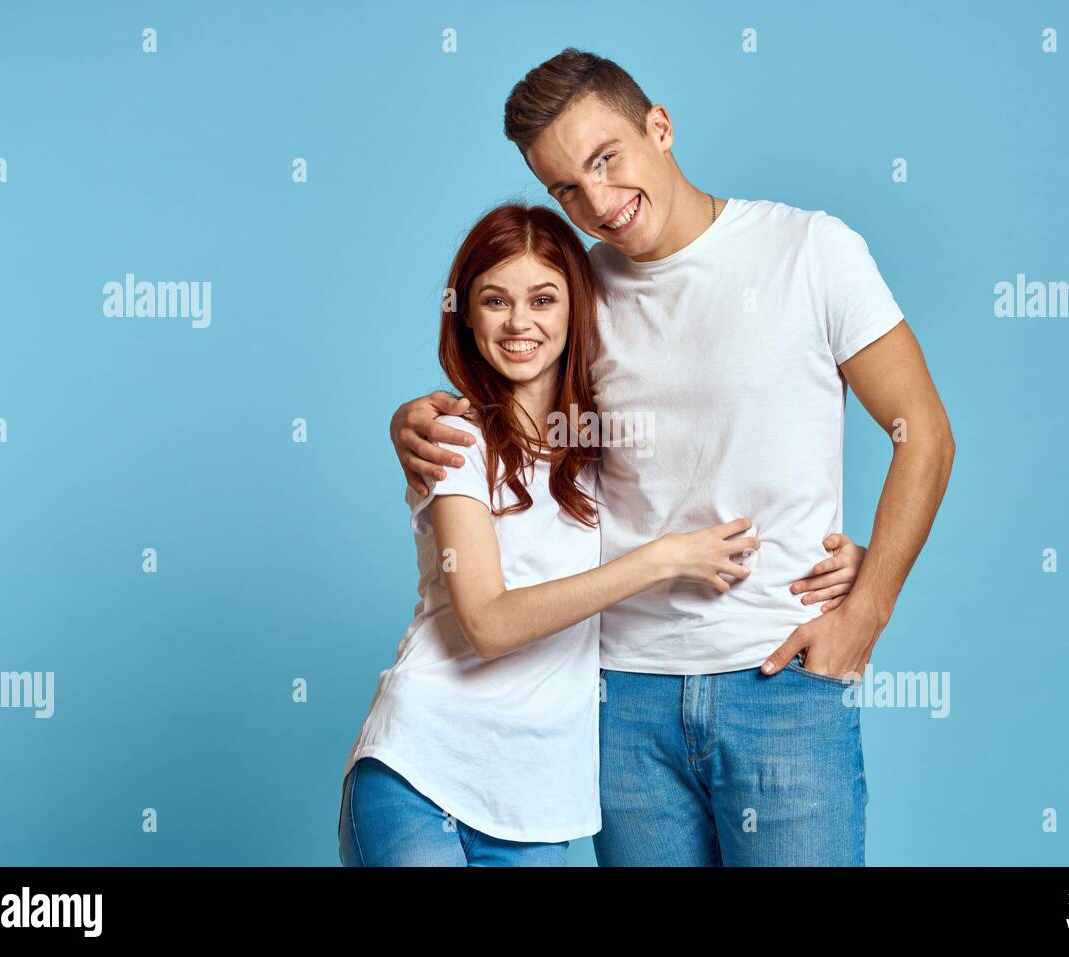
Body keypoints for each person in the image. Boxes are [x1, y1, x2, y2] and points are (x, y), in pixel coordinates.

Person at [391, 49, 955, 866]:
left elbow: (923, 432)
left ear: (660, 125)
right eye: (566, 189)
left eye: (606, 159)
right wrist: (410, 417)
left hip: (779, 680)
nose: (598, 202)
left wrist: (868, 606)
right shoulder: (574, 292)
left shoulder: (811, 250)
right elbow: (499, 408)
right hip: (621, 698)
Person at [340, 201, 871, 866]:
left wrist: (841, 556)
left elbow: (713, 461)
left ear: (576, 310)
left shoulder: (597, 456)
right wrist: (663, 560)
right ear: (466, 315)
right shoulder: (456, 439)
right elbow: (489, 622)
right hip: (422, 766)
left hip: (535, 801)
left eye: (543, 298)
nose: (519, 322)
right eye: (494, 300)